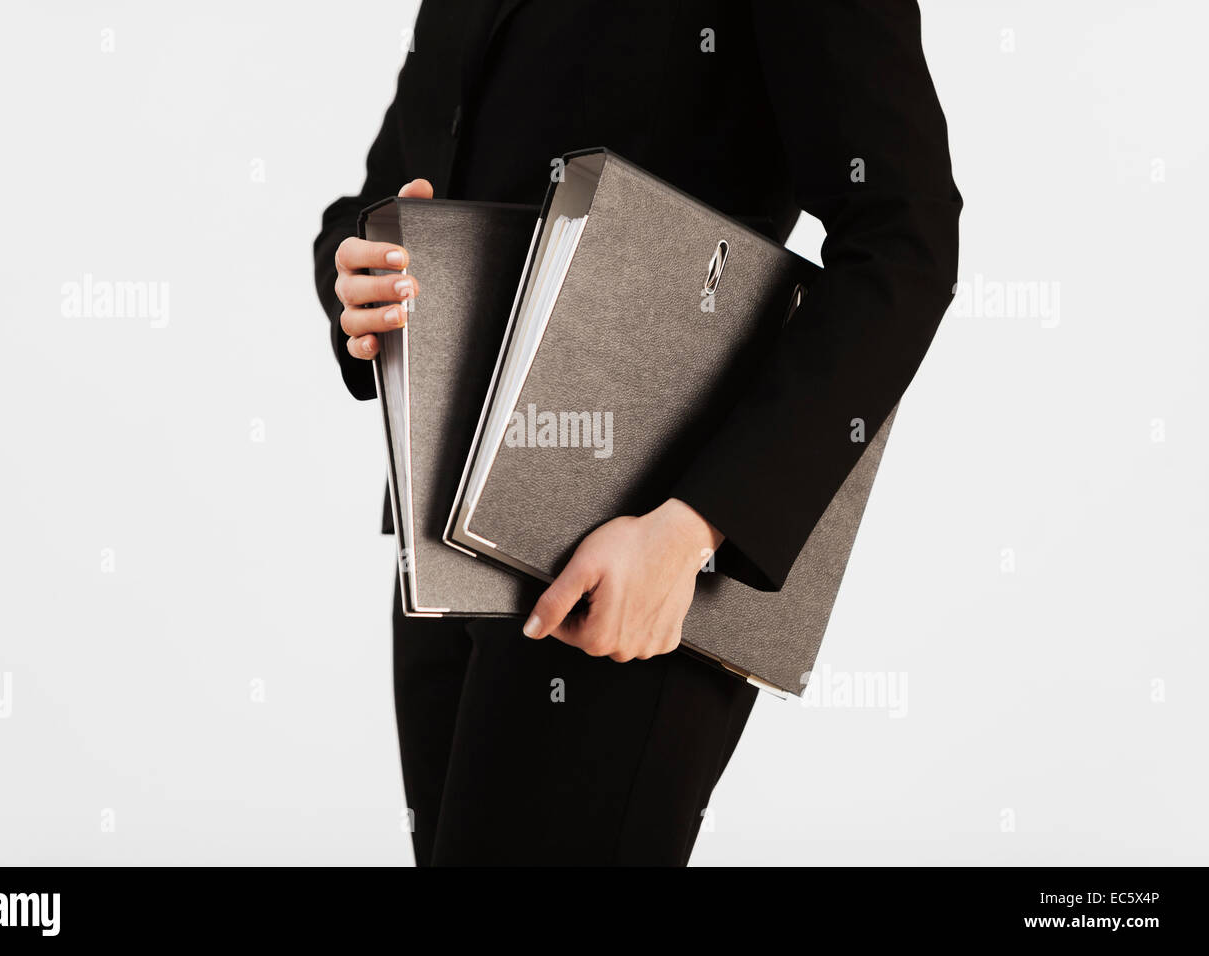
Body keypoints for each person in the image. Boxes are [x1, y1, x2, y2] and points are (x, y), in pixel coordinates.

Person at [313, 0, 961, 866]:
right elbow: (391, 189)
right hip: (440, 526)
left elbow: (905, 239)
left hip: (635, 545)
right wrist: (357, 266)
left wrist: (697, 525)